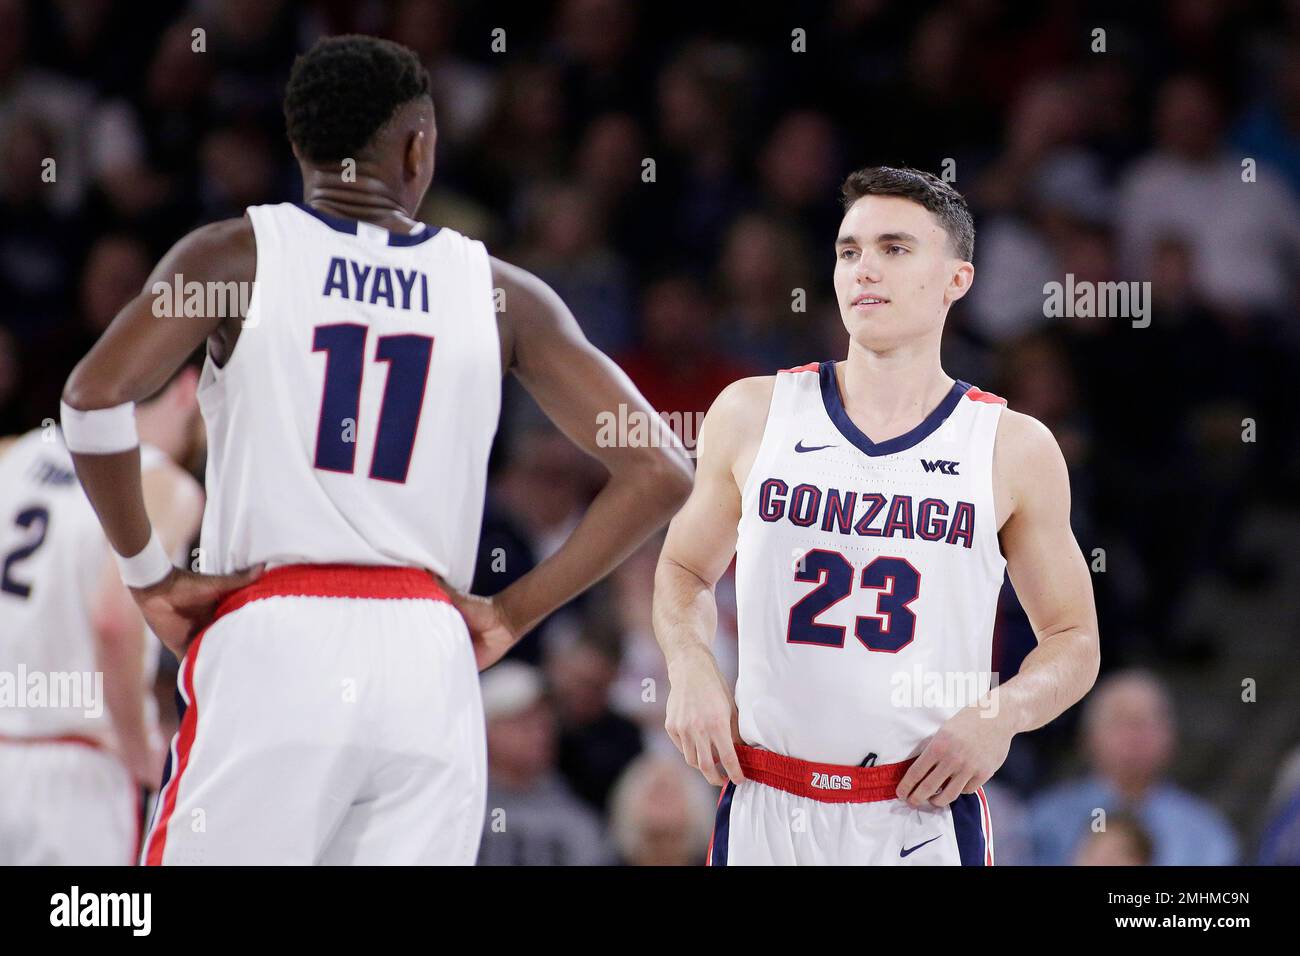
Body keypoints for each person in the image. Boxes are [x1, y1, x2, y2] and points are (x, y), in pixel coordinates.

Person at [60, 35, 691, 865]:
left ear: (298, 146)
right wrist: (512, 613)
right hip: (427, 658)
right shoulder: (501, 294)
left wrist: (151, 577)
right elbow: (659, 470)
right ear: (419, 145)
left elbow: (92, 402)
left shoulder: (234, 257)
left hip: (275, 636)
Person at [653, 166, 1101, 865]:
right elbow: (683, 567)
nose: (865, 268)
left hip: (914, 813)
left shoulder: (1012, 447)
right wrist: (689, 665)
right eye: (849, 250)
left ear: (957, 279)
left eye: (895, 249)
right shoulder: (752, 411)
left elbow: (1075, 639)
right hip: (768, 800)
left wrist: (1002, 715)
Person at [0, 367, 203, 864]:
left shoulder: (18, 451)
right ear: (186, 388)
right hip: (78, 770)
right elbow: (114, 618)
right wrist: (141, 750)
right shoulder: (164, 484)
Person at [1029, 670, 1238, 866]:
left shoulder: (1206, 834)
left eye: (1149, 722)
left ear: (1172, 737)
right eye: (1121, 721)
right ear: (1087, 739)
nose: (1136, 734)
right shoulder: (1044, 822)